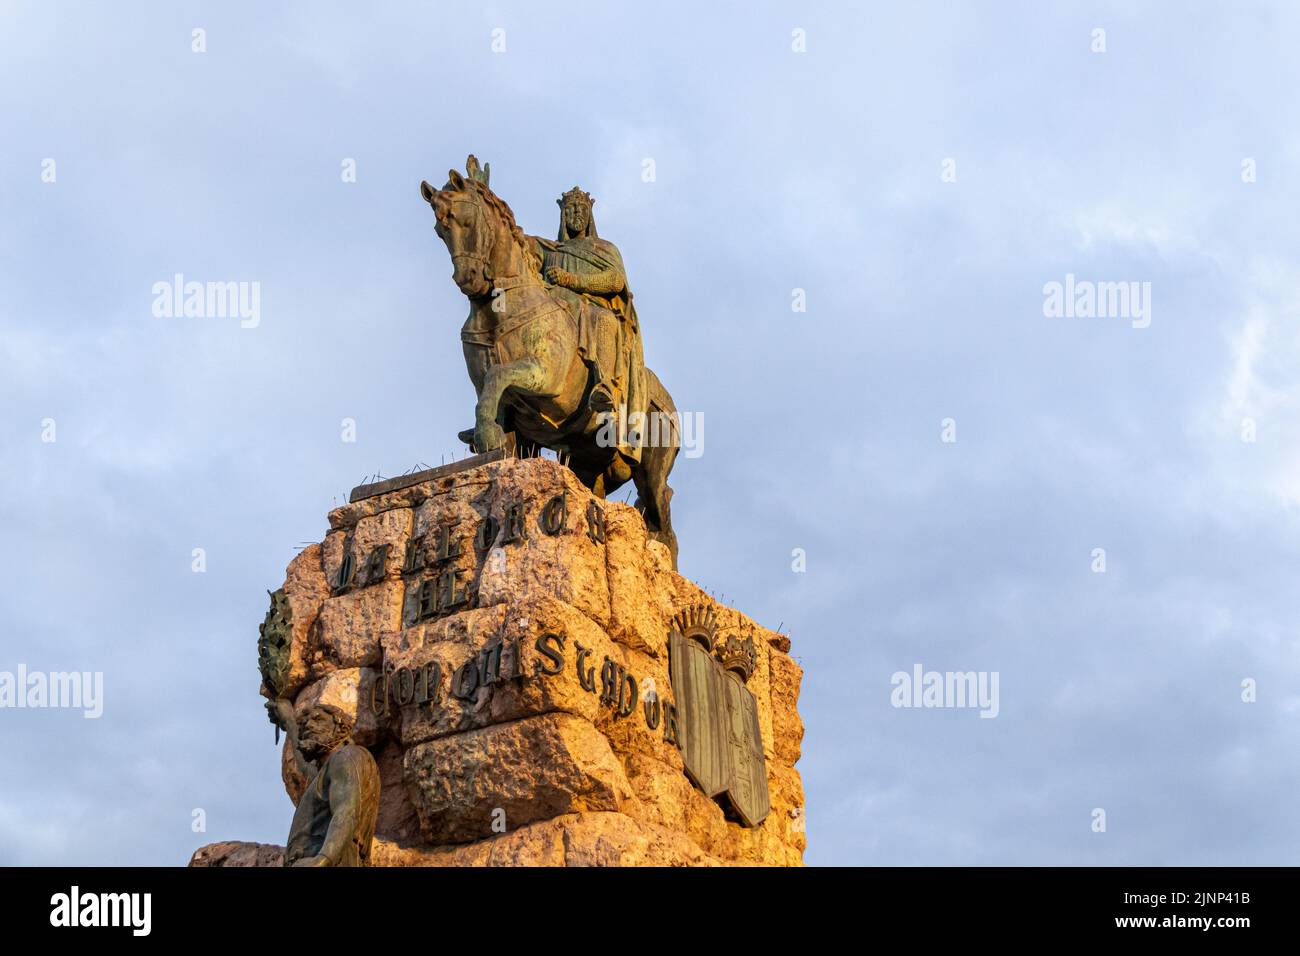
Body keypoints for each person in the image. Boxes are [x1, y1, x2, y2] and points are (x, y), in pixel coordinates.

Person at [267, 699, 381, 867]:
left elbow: (346, 812)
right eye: (305, 723)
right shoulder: (328, 769)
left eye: (318, 719)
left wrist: (323, 859)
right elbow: (305, 768)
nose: (308, 725)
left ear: (339, 727)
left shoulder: (346, 756)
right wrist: (289, 722)